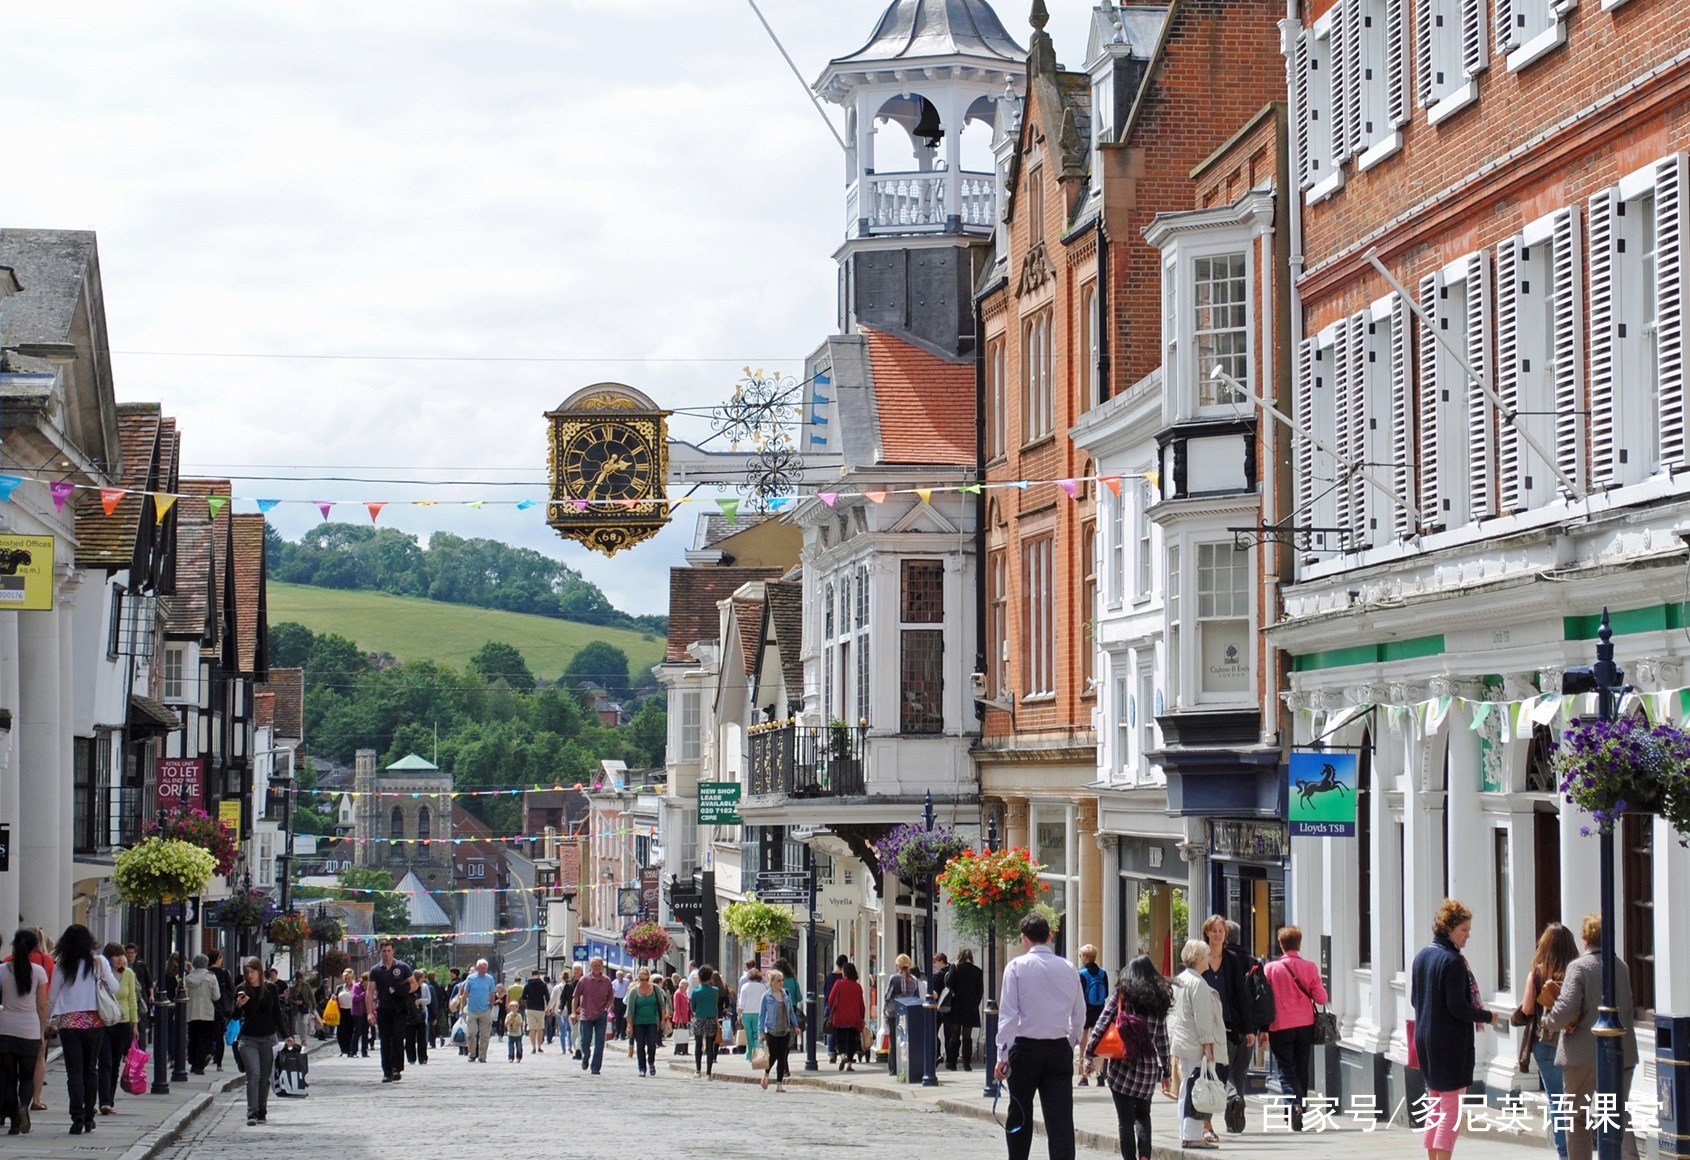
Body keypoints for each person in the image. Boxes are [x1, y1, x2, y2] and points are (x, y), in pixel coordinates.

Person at [1410, 899, 1503, 1160]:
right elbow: (1458, 1007)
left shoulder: (1422, 957)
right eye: (1464, 930)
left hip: (1425, 1040)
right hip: (1449, 1043)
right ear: (1448, 928)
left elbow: (1415, 1001)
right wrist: (1488, 1016)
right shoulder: (1452, 962)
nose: (1467, 936)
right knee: (1451, 1109)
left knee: (1435, 1104)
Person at [1541, 913, 1640, 1160]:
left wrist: (1548, 1021)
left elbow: (1566, 1008)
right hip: (1622, 1051)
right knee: (1617, 1111)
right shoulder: (1622, 967)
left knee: (1576, 1116)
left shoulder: (1579, 967)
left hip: (1583, 1054)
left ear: (1585, 939)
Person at [996, 912, 1088, 1160]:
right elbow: (1079, 1014)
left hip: (1025, 1048)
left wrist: (1002, 1055)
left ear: (1024, 938)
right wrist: (1069, 1042)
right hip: (1058, 1048)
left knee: (1020, 1112)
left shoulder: (1016, 967)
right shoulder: (1069, 968)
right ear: (1049, 936)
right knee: (1060, 1119)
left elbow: (1008, 1015)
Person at [1082, 955, 1174, 1160]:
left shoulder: (1122, 995)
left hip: (1121, 1065)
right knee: (1143, 1115)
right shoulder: (1158, 1000)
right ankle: (1144, 1156)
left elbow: (1101, 1024)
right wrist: (1166, 1070)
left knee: (1125, 1120)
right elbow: (1162, 1038)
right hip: (1148, 1069)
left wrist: (1088, 1054)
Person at [1512, 922, 1578, 1160]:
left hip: (1547, 1044)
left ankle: (1564, 1153)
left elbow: (1528, 1008)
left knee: (1557, 1100)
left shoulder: (1538, 973)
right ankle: (1579, 1150)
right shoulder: (1576, 971)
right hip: (1575, 1044)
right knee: (1576, 1101)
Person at [49, 924, 120, 1135]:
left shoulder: (62, 964)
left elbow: (52, 995)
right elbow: (114, 987)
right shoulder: (99, 962)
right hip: (93, 1021)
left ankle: (76, 1117)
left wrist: (47, 1019)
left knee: (74, 1072)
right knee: (91, 1069)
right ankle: (90, 1115)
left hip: (69, 1022)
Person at [1264, 924, 1330, 1133]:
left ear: (1281, 945)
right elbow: (1321, 998)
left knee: (1285, 1069)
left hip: (1280, 1025)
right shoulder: (1309, 967)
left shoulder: (1271, 969)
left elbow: (1264, 1000)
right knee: (1302, 1067)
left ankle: (1294, 1106)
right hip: (1305, 1025)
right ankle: (1299, 1107)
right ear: (1299, 944)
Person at [1170, 938, 1228, 1150]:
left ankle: (1186, 1132)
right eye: (1207, 956)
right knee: (1196, 1089)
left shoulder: (1180, 980)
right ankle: (1193, 1134)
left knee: (1187, 1088)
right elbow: (1203, 1018)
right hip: (1194, 1044)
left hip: (1182, 1043)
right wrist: (1208, 1045)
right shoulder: (1198, 984)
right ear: (1200, 959)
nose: (1210, 959)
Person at [1199, 915, 1254, 1136]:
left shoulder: (1231, 960)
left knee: (1224, 1073)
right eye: (1214, 930)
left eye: (1221, 931)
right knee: (1209, 1075)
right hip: (1204, 1025)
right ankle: (1207, 1122)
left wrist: (1249, 1029)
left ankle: (1231, 1116)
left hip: (1228, 1024)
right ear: (1207, 933)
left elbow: (1241, 996)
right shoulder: (1199, 956)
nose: (1218, 934)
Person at [233, 956, 293, 1126]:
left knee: (265, 1077)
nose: (250, 975)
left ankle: (262, 1111)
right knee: (253, 1074)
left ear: (259, 971)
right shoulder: (241, 989)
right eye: (247, 972)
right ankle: (251, 1112)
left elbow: (277, 1014)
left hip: (269, 1038)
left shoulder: (271, 988)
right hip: (248, 1039)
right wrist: (238, 1005)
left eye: (252, 972)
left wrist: (286, 1035)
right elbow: (234, 1017)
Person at [0, 929, 48, 1135]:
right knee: (26, 1077)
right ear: (33, 948)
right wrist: (42, 1031)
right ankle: (24, 1106)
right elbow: (41, 1006)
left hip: (5, 1028)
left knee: (9, 1077)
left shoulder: (2, 970)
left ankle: (13, 1123)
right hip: (29, 1029)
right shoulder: (38, 972)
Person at [97, 944, 139, 1117]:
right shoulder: (101, 975)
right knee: (105, 1062)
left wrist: (135, 1024)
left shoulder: (128, 974)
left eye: (122, 955)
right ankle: (104, 1101)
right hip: (105, 1022)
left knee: (115, 1064)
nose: (121, 958)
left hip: (123, 1023)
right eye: (116, 955)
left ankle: (110, 1100)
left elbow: (132, 999)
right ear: (108, 958)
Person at [366, 941, 414, 1083]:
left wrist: (401, 990)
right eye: (384, 951)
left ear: (393, 951)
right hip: (383, 1008)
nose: (386, 953)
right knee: (385, 1041)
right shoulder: (376, 970)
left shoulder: (403, 967)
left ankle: (396, 1068)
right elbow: (370, 992)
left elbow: (414, 984)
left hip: (399, 1009)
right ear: (381, 952)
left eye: (388, 950)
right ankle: (386, 1071)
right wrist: (369, 1012)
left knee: (397, 1037)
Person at [573, 957, 615, 1075]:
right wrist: (573, 1012)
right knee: (585, 1041)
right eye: (594, 965)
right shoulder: (584, 980)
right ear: (591, 966)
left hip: (601, 1015)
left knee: (600, 1042)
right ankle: (586, 1055)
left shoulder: (606, 981)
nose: (597, 967)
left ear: (602, 966)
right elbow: (576, 996)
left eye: (599, 965)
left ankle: (596, 1067)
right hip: (586, 1014)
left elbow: (610, 997)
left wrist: (606, 1008)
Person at [945, 948, 985, 1071]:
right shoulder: (977, 971)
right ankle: (966, 1063)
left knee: (955, 1035)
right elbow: (980, 991)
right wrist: (974, 1003)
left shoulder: (955, 967)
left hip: (957, 1005)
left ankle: (952, 1063)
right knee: (967, 1036)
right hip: (970, 1006)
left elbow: (948, 984)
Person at [759, 968, 798, 1093]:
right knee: (773, 1055)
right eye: (778, 981)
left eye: (782, 980)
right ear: (772, 982)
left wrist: (795, 1025)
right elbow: (762, 1015)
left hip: (785, 1030)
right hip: (771, 1030)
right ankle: (766, 1073)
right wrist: (761, 1033)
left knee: (782, 1057)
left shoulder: (786, 994)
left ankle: (779, 1084)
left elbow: (791, 1011)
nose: (781, 983)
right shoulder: (766, 996)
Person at [627, 967, 669, 1077]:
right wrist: (629, 1025)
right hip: (638, 1022)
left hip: (652, 1022)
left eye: (646, 979)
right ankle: (642, 1068)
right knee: (640, 1045)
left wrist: (663, 1019)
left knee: (651, 1044)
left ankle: (651, 1063)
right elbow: (629, 1011)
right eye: (642, 980)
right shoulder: (633, 991)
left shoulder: (655, 989)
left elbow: (662, 1005)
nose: (644, 982)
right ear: (638, 979)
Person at [1076, 945, 1108, 1086]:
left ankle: (1084, 1075)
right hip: (1099, 1010)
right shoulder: (1103, 973)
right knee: (1099, 1043)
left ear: (1086, 957)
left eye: (1081, 955)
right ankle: (1100, 1074)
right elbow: (1106, 993)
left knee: (1083, 1044)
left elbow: (1078, 994)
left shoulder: (1081, 973)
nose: (1080, 958)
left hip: (1085, 1011)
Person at [183, 954, 221, 1075]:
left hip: (192, 1011)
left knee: (193, 1038)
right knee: (204, 1039)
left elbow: (184, 994)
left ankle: (193, 1061)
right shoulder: (211, 977)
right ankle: (200, 1064)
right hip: (207, 1012)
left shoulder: (188, 978)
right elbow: (216, 996)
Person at [884, 953, 922, 1074]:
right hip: (908, 1013)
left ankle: (893, 1069)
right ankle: (905, 1067)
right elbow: (916, 996)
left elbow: (887, 996)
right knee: (906, 1040)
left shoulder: (894, 978)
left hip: (894, 1013)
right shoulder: (914, 979)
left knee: (894, 1041)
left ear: (898, 966)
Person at [826, 962, 866, 1072]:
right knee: (851, 1041)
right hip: (854, 1018)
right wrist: (862, 1017)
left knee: (840, 1039)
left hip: (840, 1017)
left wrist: (832, 1010)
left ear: (844, 972)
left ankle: (843, 1056)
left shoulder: (838, 983)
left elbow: (830, 999)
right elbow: (861, 1004)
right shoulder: (857, 987)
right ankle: (849, 1064)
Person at [460, 959, 498, 1064]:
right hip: (472, 1009)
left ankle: (483, 1056)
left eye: (485, 968)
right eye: (481, 968)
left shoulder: (489, 979)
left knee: (485, 1035)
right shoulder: (470, 978)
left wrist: (491, 1007)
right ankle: (472, 1054)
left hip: (485, 1010)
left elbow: (492, 994)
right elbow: (465, 994)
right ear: (477, 968)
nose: (483, 970)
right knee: (471, 1033)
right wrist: (461, 1008)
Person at [689, 965, 723, 1079]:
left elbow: (693, 1008)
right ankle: (708, 1073)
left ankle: (698, 1071)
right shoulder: (715, 991)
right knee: (709, 1046)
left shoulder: (695, 992)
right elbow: (715, 1005)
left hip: (699, 1019)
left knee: (698, 1045)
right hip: (711, 1018)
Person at [207, 950, 235, 1071]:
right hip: (221, 1008)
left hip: (207, 1006)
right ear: (217, 959)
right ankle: (218, 1063)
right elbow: (232, 989)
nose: (222, 960)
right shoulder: (224, 973)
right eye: (221, 958)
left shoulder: (206, 973)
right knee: (219, 1036)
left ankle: (208, 1052)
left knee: (207, 1034)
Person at [738, 968, 767, 1063]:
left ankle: (749, 1055)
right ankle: (759, 1055)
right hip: (758, 1013)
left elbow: (741, 1002)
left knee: (748, 1035)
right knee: (757, 1034)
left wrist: (739, 1014)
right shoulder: (762, 987)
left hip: (746, 1013)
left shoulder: (745, 986)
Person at [824, 955, 849, 1063]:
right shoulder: (844, 978)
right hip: (842, 1008)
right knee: (842, 1031)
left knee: (831, 1030)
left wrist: (828, 1006)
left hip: (831, 1007)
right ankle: (843, 1053)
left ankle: (831, 1054)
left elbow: (826, 993)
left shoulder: (830, 977)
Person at [521, 970, 550, 1056]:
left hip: (530, 1008)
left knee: (531, 1028)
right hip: (540, 1009)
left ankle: (533, 1047)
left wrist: (527, 1002)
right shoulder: (543, 984)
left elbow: (523, 997)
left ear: (531, 975)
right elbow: (547, 996)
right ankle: (539, 1046)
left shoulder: (527, 984)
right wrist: (548, 1007)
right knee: (540, 1028)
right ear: (539, 975)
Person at [334, 970, 359, 1058]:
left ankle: (350, 1049)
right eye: (346, 978)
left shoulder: (356, 987)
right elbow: (335, 997)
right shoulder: (339, 988)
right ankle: (343, 1049)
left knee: (351, 1031)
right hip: (342, 1011)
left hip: (352, 1011)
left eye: (349, 978)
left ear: (352, 978)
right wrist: (334, 997)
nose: (347, 980)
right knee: (341, 1032)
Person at [611, 969, 631, 1040]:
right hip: (617, 1001)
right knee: (617, 1018)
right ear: (616, 976)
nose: (620, 977)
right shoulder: (613, 983)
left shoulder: (627, 981)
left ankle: (623, 1034)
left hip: (625, 1001)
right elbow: (612, 993)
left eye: (621, 975)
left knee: (624, 1018)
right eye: (619, 976)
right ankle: (616, 1033)